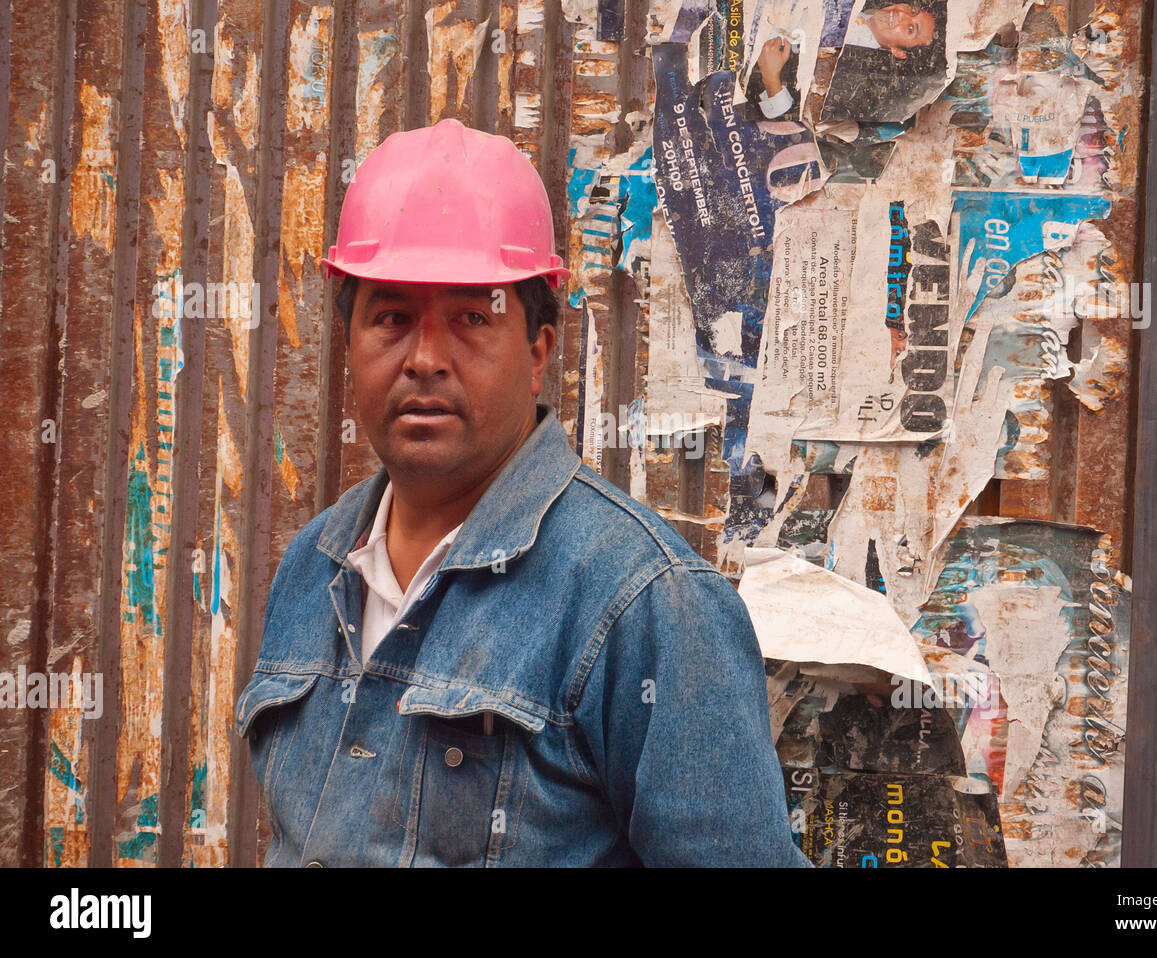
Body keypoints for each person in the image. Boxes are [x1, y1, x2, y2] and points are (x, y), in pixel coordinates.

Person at [234, 118, 812, 868]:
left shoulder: (645, 603)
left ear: (538, 353)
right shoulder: (311, 570)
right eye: (392, 317)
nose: (427, 358)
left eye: (472, 317)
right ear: (351, 347)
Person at [756, 5, 938, 119]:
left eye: (910, 28)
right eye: (912, 11)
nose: (900, 14)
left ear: (898, 52)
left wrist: (770, 78)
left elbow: (793, 124)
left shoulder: (854, 79)